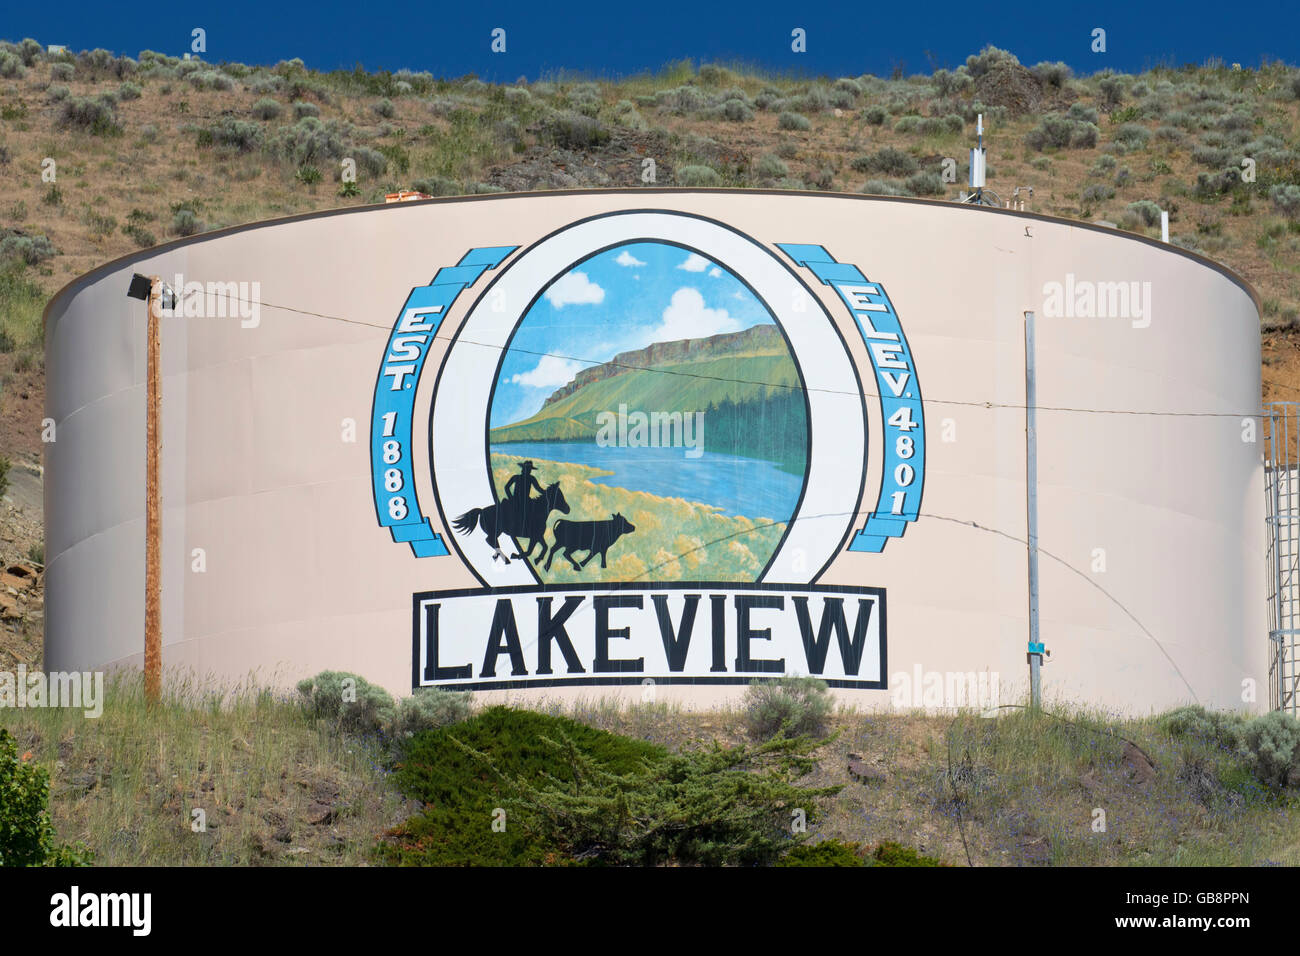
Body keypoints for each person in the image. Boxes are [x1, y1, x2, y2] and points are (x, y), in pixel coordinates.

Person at [502, 460, 543, 529]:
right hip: (516, 499)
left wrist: (547, 493)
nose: (529, 471)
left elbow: (538, 489)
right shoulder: (516, 477)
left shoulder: (531, 478)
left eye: (529, 469)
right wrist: (511, 498)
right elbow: (506, 487)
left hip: (526, 500)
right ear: (523, 469)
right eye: (527, 469)